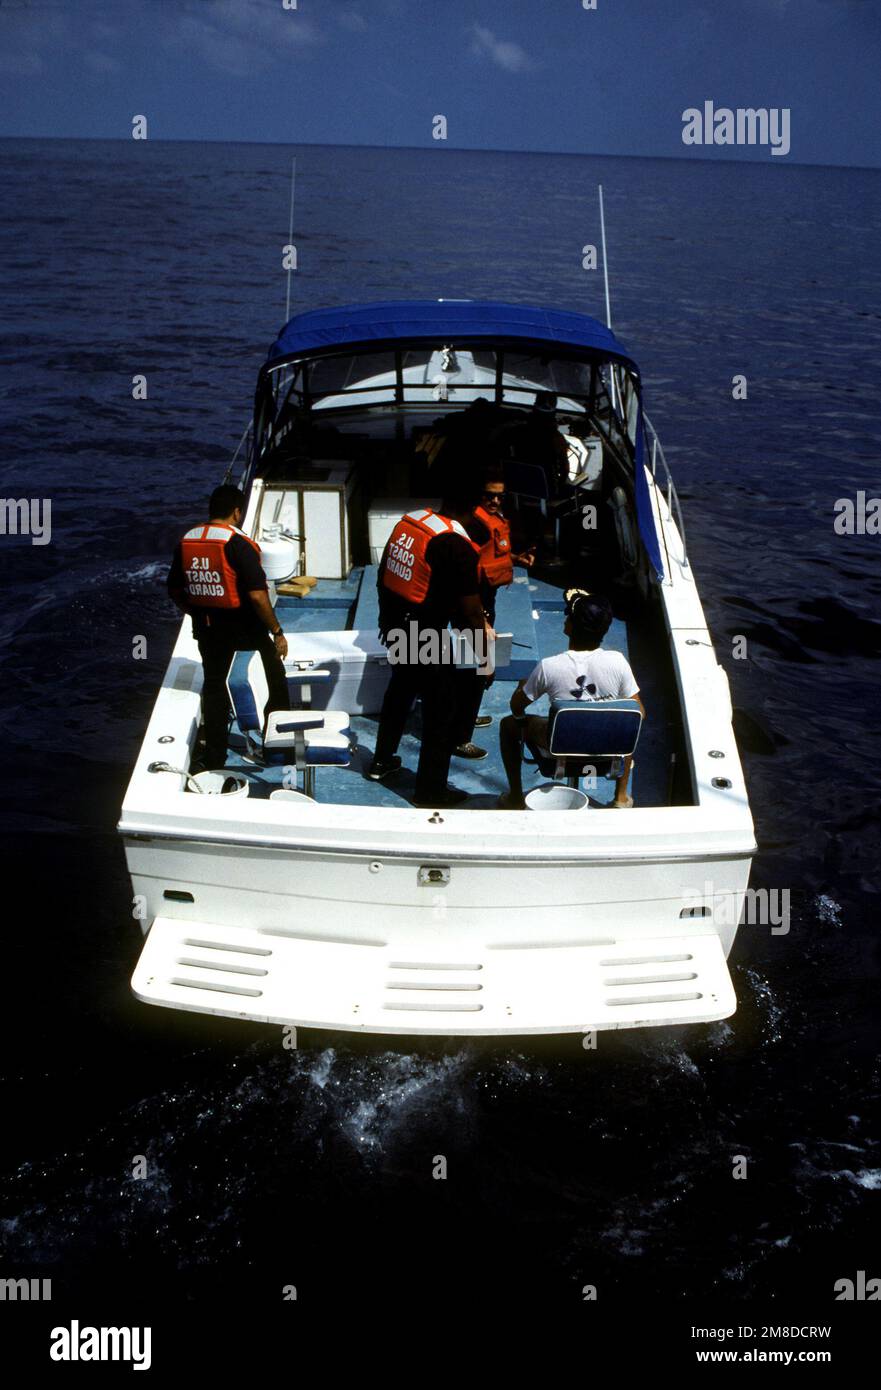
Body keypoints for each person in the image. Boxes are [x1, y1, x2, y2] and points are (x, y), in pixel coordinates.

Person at [369, 474, 492, 808]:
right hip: (425, 634)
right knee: (442, 710)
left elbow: (385, 576)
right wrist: (486, 658)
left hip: (396, 621)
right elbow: (471, 612)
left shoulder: (410, 523)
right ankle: (430, 791)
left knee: (400, 690)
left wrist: (385, 621)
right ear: (474, 508)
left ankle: (381, 761)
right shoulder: (457, 547)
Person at [167, 485, 289, 772]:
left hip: (208, 627)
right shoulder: (239, 544)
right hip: (245, 627)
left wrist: (198, 612)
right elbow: (258, 596)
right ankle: (277, 745)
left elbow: (174, 590)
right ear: (236, 512)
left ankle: (214, 758)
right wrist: (277, 631)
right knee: (275, 676)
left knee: (214, 686)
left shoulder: (187, 540)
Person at [498, 590, 644, 809]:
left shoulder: (549, 666)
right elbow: (639, 712)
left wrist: (522, 688)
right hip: (607, 748)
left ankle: (516, 798)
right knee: (628, 723)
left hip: (559, 749)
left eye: (569, 616)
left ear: (570, 625)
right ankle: (621, 797)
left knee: (508, 724)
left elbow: (517, 707)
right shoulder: (618, 662)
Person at [451, 468, 535, 760]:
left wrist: (516, 559)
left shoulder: (494, 520)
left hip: (487, 599)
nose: (496, 502)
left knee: (477, 665)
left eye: (501, 496)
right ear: (479, 495)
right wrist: (481, 619)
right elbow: (467, 567)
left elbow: (493, 554)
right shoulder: (475, 524)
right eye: (490, 496)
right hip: (476, 603)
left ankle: (466, 714)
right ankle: (460, 737)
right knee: (477, 666)